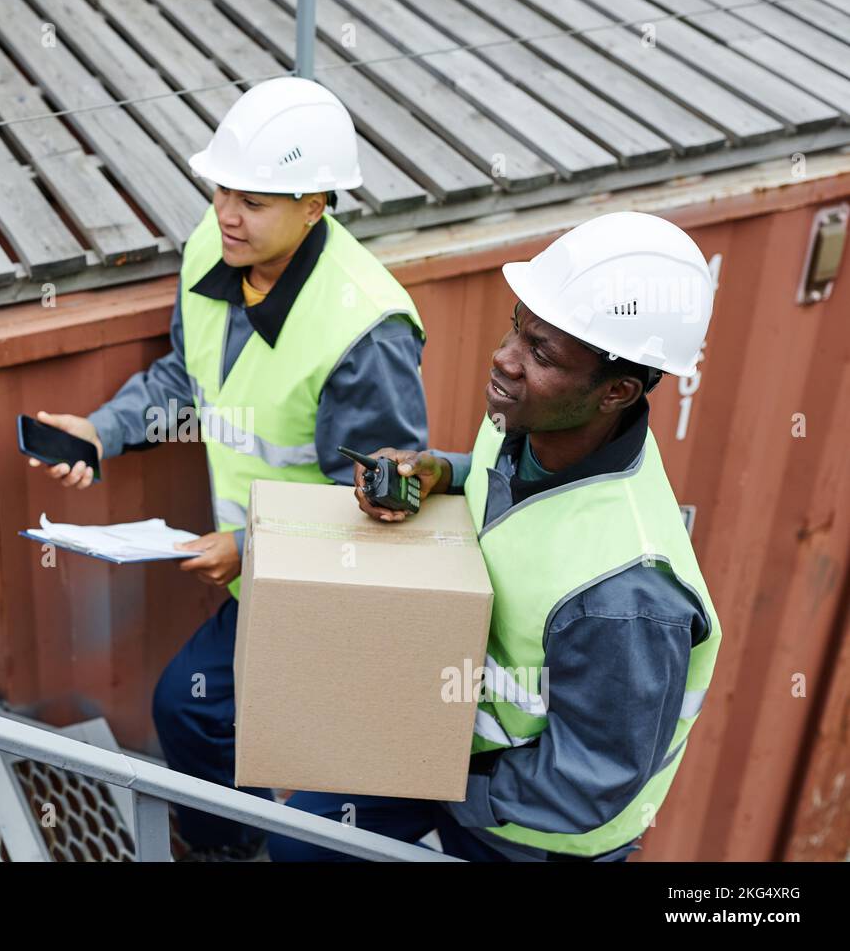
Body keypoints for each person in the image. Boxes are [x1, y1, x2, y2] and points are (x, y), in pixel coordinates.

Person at [26, 77, 430, 860]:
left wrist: (252, 550)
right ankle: (228, 849)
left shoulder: (365, 330)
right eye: (221, 190)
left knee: (265, 759)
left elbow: (384, 501)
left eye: (254, 200)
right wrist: (100, 432)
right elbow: (186, 378)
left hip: (331, 587)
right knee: (190, 711)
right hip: (262, 579)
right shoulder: (214, 248)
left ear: (316, 206)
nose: (226, 214)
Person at [269, 211, 723, 862]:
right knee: (299, 842)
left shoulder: (628, 593)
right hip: (452, 742)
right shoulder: (527, 425)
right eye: (517, 328)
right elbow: (508, 497)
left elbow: (587, 783)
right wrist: (439, 473)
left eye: (540, 354)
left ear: (616, 391)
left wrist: (443, 783)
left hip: (534, 828)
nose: (504, 358)